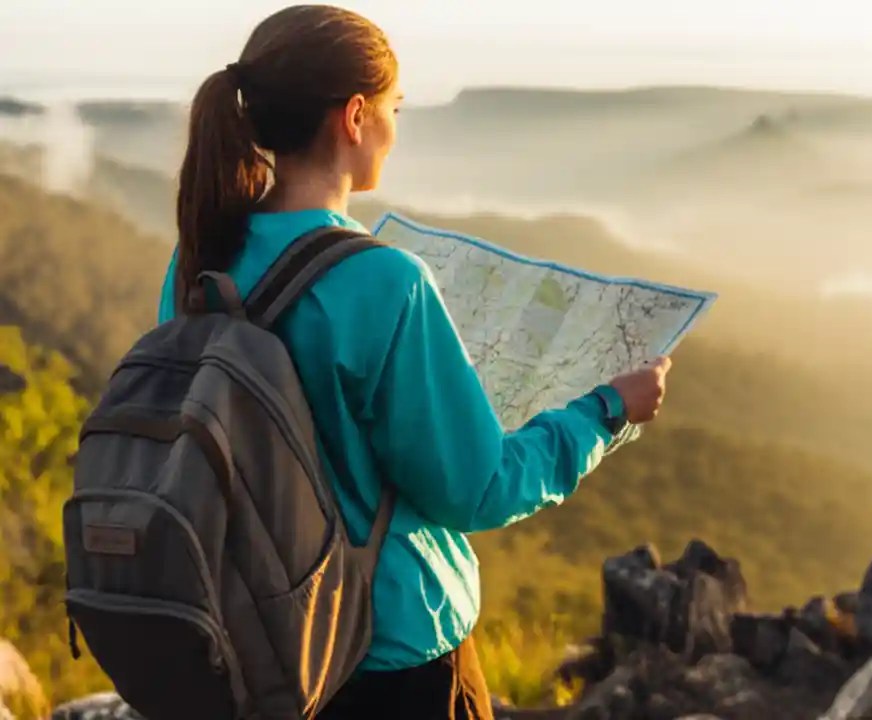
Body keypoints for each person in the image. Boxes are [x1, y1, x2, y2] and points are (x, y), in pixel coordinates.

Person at [156, 5, 672, 719]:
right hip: (391, 654)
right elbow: (478, 490)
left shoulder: (198, 261)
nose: (397, 129)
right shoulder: (387, 282)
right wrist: (607, 412)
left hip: (255, 644)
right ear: (356, 117)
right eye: (396, 108)